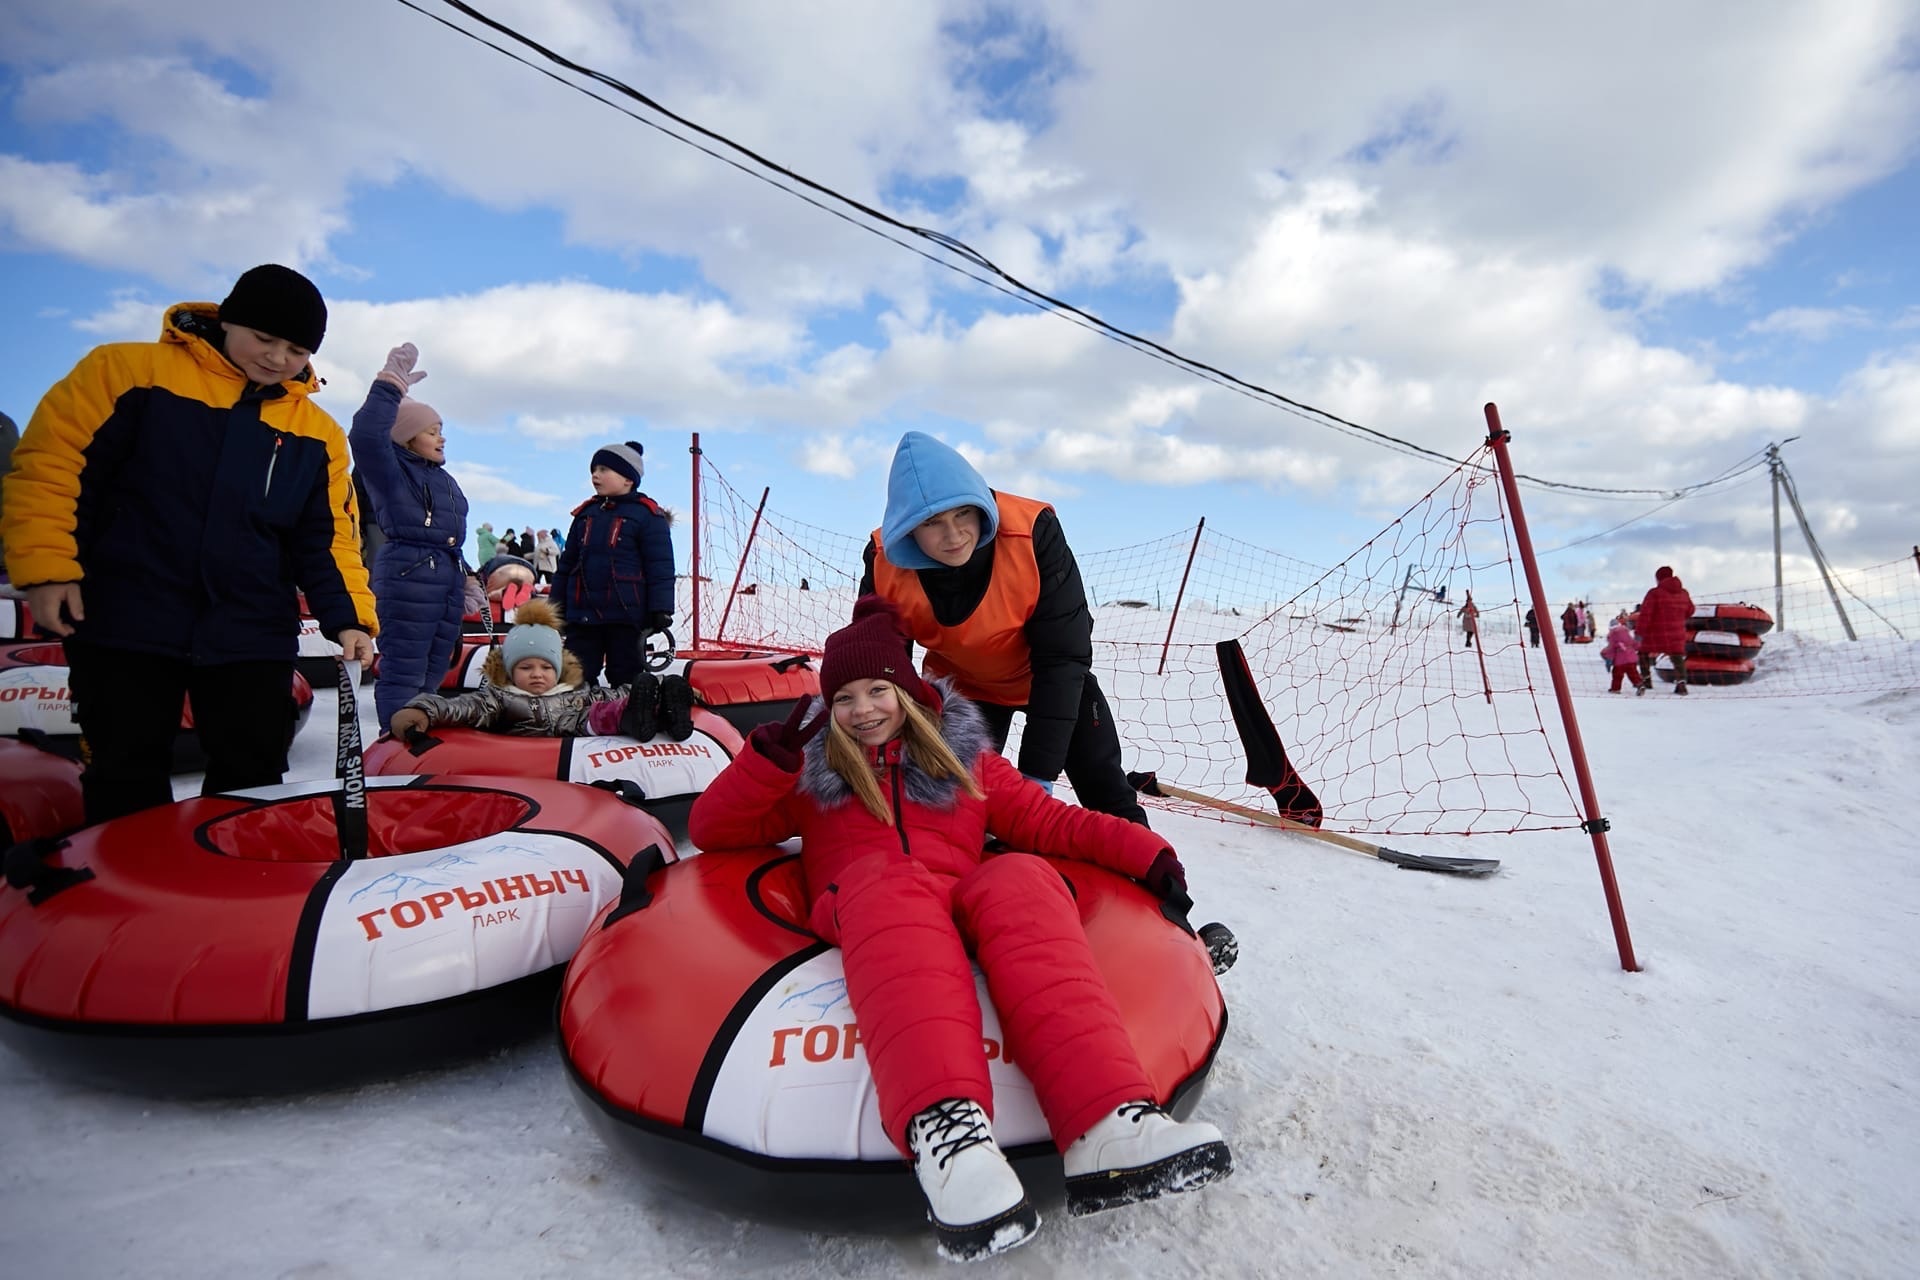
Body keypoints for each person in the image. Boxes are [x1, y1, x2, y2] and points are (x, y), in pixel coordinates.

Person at [687, 597, 1232, 1260]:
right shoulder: (814, 777)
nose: (863, 710)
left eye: (878, 690)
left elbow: (1051, 822)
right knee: (891, 878)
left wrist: (1147, 854)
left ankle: (1107, 1124)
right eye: (845, 698)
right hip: (869, 906)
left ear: (908, 692)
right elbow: (713, 829)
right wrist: (766, 761)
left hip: (958, 906)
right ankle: (951, 1140)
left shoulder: (966, 763)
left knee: (1021, 875)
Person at [1, 264, 375, 822]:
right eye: (264, 338)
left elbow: (329, 538)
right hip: (126, 615)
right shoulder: (125, 372)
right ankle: (120, 872)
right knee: (124, 769)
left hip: (250, 629)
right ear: (227, 320)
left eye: (297, 350)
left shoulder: (317, 432)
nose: (278, 358)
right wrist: (49, 568)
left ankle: (234, 873)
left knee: (252, 774)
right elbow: (52, 469)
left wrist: (350, 617)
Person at [859, 430, 1149, 826]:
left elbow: (1063, 657)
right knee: (953, 807)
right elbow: (877, 665)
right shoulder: (884, 559)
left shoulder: (1032, 533)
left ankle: (1153, 864)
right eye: (931, 522)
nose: (954, 535)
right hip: (960, 692)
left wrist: (1038, 773)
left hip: (1051, 683)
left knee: (1107, 794)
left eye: (963, 513)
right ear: (908, 528)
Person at [350, 343, 471, 727]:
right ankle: (397, 738)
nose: (441, 438)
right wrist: (389, 386)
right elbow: (367, 436)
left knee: (435, 668)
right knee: (404, 669)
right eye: (431, 431)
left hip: (444, 579)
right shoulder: (391, 472)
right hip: (408, 575)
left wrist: (467, 578)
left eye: (441, 431)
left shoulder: (443, 479)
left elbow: (449, 538)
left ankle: (420, 731)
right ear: (405, 437)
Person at [386, 599, 692, 741]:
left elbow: (611, 692)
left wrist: (661, 686)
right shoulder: (498, 698)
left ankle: (663, 707)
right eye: (526, 667)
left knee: (609, 701)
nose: (537, 673)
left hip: (581, 723)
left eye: (546, 667)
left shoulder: (574, 691)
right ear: (510, 670)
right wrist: (422, 710)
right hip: (553, 742)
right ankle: (634, 717)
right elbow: (459, 707)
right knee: (597, 716)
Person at [551, 441, 676, 688]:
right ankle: (576, 710)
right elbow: (566, 564)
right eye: (593, 470)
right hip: (583, 613)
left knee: (626, 672)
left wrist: (661, 608)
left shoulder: (647, 515)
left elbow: (660, 566)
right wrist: (556, 604)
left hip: (627, 614)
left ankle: (628, 708)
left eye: (603, 469)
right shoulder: (585, 514)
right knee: (575, 672)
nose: (595, 476)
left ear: (628, 478)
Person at [1636, 565, 1695, 695]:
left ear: (1658, 578)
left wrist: (1639, 632)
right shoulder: (1683, 593)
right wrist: (1678, 617)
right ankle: (1681, 683)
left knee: (1643, 653)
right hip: (1677, 632)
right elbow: (1691, 610)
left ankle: (1646, 679)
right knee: (1677, 657)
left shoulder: (1654, 593)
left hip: (1655, 633)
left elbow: (1646, 614)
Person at [1601, 613, 1645, 694]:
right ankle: (1639, 684)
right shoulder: (1626, 632)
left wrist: (1606, 656)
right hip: (1631, 658)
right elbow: (1634, 643)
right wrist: (1640, 647)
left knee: (1617, 675)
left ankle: (1615, 689)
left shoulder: (1612, 635)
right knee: (1633, 673)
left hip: (1620, 661)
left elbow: (1611, 649)